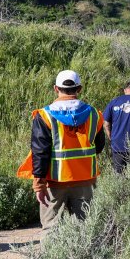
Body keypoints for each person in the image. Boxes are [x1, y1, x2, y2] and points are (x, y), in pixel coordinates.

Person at [29, 70, 106, 229]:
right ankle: (86, 255)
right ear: (79, 89)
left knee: (51, 227)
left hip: (55, 182)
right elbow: (99, 146)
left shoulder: (44, 116)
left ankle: (50, 255)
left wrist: (39, 185)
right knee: (85, 228)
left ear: (56, 89)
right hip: (85, 181)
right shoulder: (94, 114)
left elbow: (40, 153)